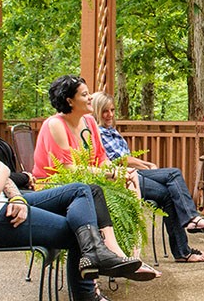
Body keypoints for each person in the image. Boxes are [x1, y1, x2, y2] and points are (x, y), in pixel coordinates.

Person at [0, 71, 140, 301]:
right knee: (78, 232)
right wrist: (3, 171)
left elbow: (0, 177)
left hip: (3, 205)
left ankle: (96, 254)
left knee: (83, 189)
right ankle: (90, 290)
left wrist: (17, 197)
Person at [31, 75, 158, 279]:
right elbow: (68, 169)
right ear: (69, 101)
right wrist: (107, 173)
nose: (90, 98)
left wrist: (117, 172)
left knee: (131, 178)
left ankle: (133, 257)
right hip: (56, 187)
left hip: (87, 181)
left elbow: (101, 159)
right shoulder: (54, 124)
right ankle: (116, 255)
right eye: (84, 94)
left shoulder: (89, 122)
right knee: (99, 191)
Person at [92, 92, 204, 263]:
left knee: (169, 193)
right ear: (96, 111)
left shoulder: (111, 131)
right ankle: (191, 223)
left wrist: (144, 164)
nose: (110, 115)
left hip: (133, 175)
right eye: (105, 111)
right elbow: (118, 160)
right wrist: (147, 164)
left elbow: (126, 159)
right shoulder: (99, 132)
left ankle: (184, 248)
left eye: (112, 110)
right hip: (122, 180)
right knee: (173, 173)